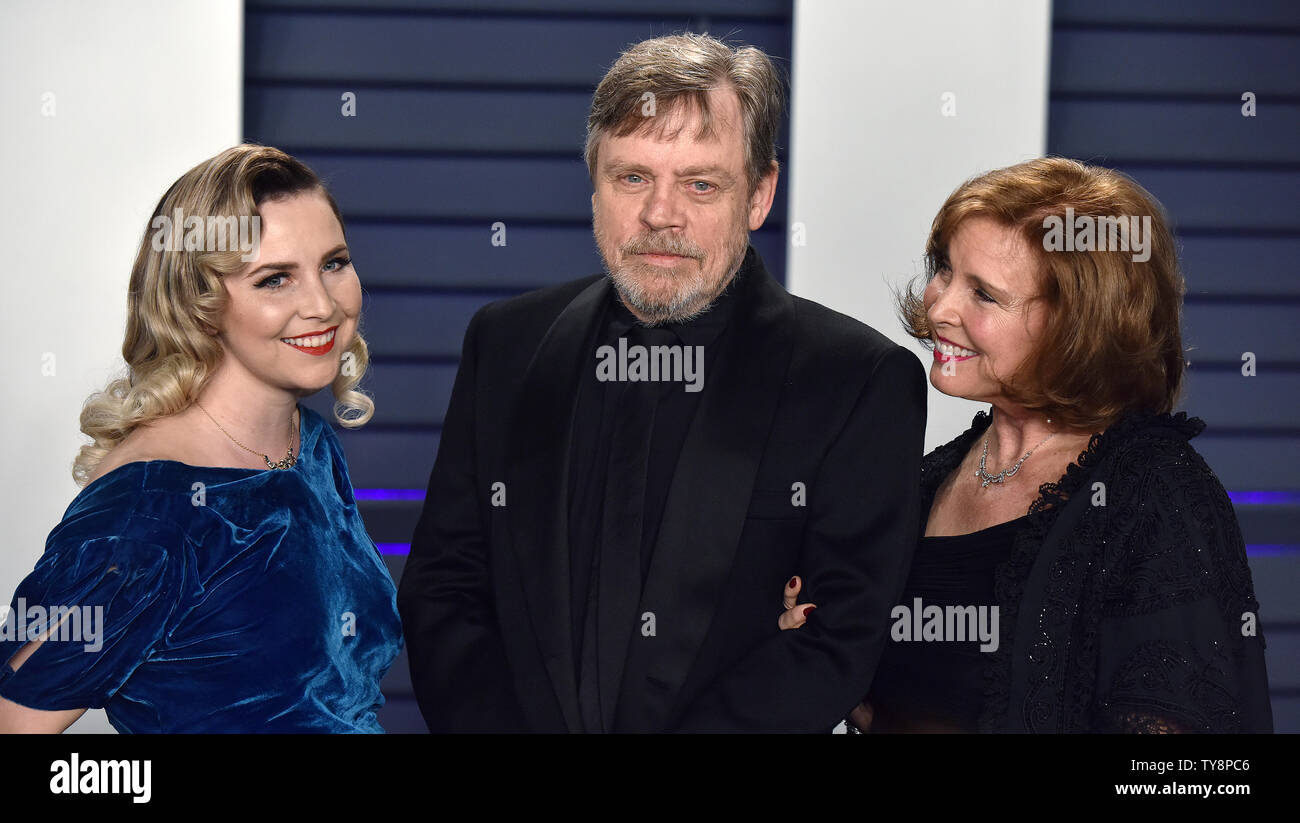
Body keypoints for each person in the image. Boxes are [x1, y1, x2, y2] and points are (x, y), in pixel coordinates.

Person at [397, 33, 926, 733]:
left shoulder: (858, 381)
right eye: (633, 177)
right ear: (595, 185)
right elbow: (444, 590)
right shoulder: (507, 343)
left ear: (761, 194)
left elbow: (837, 642)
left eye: (701, 184)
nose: (661, 215)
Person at [784, 157, 1273, 733]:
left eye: (984, 295)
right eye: (945, 270)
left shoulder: (1154, 493)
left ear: (1077, 326)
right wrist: (829, 671)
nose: (939, 309)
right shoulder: (927, 480)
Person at [0, 145, 402, 733]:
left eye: (334, 263)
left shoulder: (304, 443)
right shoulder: (148, 511)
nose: (321, 305)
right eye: (274, 279)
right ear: (200, 305)